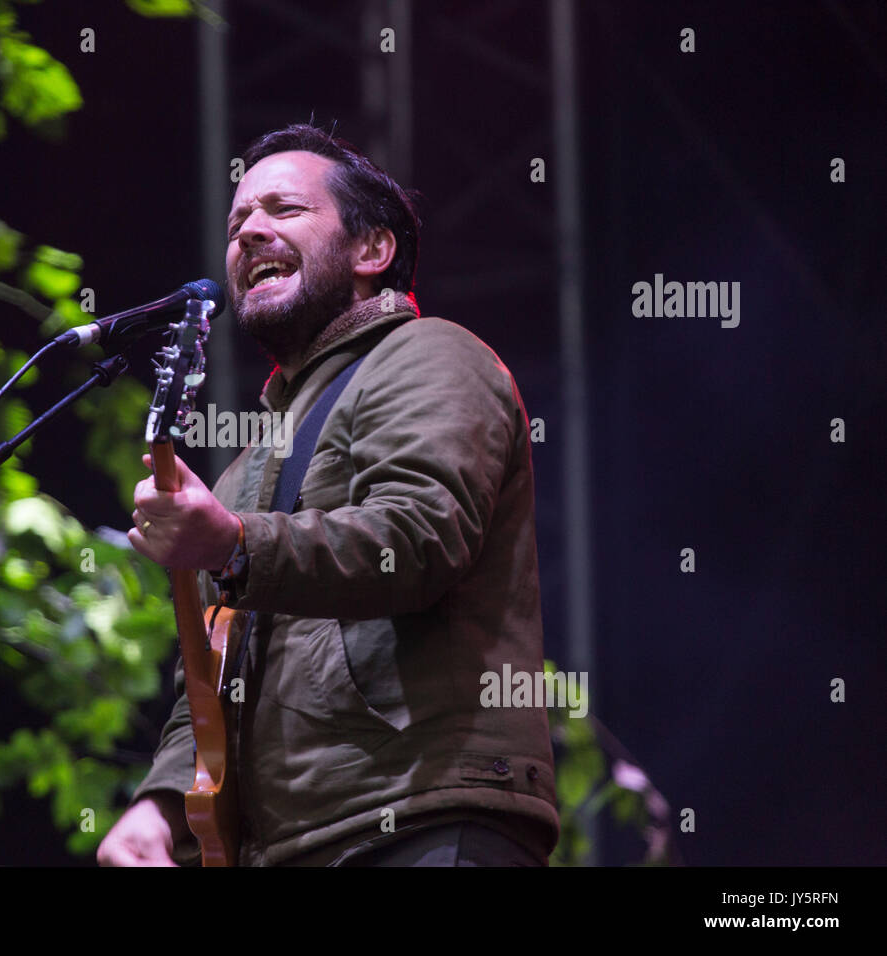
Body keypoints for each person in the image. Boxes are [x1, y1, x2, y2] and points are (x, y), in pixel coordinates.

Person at [97, 124, 559, 867]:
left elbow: (418, 540)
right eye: (237, 221)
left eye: (282, 209)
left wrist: (233, 543)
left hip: (423, 819)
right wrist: (161, 806)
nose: (249, 232)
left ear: (371, 251)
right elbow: (210, 672)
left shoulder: (429, 353)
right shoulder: (244, 468)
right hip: (287, 847)